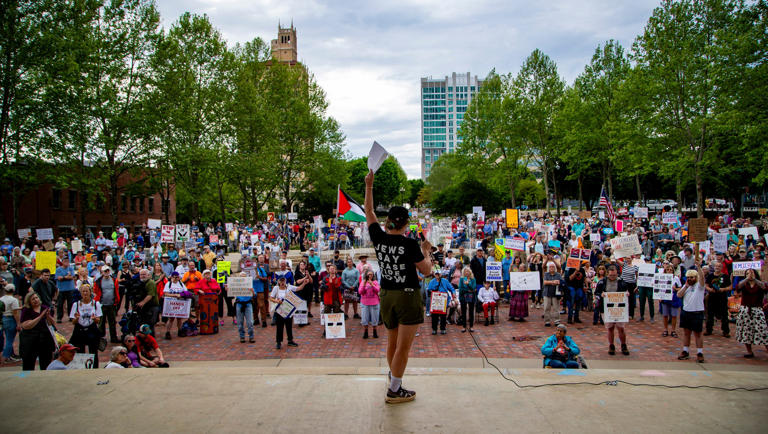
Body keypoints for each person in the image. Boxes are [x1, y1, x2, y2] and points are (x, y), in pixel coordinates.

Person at [364, 169, 432, 404]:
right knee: (403, 347)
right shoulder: (410, 244)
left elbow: (369, 211)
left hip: (386, 295)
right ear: (406, 224)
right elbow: (426, 271)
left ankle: (394, 378)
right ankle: (394, 389)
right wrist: (426, 252)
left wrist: (369, 186)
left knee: (392, 342)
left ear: (387, 221)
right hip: (407, 295)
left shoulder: (378, 237)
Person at [594, 264, 631, 356]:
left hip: (619, 308)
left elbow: (626, 292)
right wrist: (601, 295)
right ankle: (611, 345)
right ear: (607, 274)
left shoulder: (622, 282)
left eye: (614, 275)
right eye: (611, 275)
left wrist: (627, 294)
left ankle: (623, 344)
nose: (612, 277)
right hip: (606, 308)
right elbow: (596, 293)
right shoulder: (602, 282)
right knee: (610, 328)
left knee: (621, 328)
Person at [677, 261, 706, 363]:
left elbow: (702, 278)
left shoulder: (700, 286)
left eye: (692, 277)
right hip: (686, 311)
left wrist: (699, 268)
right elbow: (679, 295)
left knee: (698, 334)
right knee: (686, 333)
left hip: (697, 312)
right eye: (688, 277)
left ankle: (699, 352)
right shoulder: (686, 287)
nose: (690, 279)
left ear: (695, 278)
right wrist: (685, 286)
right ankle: (685, 351)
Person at [734, 269, 767, 358]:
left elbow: (764, 287)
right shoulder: (744, 284)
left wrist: (754, 279)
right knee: (746, 331)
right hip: (745, 309)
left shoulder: (759, 284)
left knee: (763, 331)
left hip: (757, 309)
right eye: (747, 273)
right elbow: (737, 287)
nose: (750, 275)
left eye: (751, 273)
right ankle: (749, 351)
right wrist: (747, 279)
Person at [68, 284, 102, 369]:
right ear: (80, 293)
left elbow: (98, 320)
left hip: (91, 329)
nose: (85, 293)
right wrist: (76, 318)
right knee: (80, 351)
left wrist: (94, 319)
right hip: (80, 330)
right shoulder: (76, 304)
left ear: (90, 292)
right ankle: (82, 368)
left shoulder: (96, 304)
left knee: (93, 351)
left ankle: (94, 369)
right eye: (83, 291)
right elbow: (73, 321)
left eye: (87, 291)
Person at [20, 292, 56, 370]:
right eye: (33, 299)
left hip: (44, 339)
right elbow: (26, 326)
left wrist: (48, 316)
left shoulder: (45, 308)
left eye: (37, 298)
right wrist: (40, 316)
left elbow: (52, 323)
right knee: (28, 363)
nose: (36, 300)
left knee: (46, 363)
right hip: (30, 340)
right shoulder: (26, 310)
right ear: (29, 301)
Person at [269, 277, 299, 349]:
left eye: (283, 281)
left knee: (289, 325)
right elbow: (271, 298)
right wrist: (277, 301)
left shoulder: (289, 287)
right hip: (279, 310)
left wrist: (304, 282)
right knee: (279, 326)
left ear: (285, 281)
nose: (282, 282)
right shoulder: (276, 288)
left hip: (288, 309)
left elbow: (298, 288)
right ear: (278, 281)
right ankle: (278, 342)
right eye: (281, 281)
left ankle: (290, 340)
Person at [704, 260, 731, 338]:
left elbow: (730, 287)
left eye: (719, 266)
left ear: (722, 267)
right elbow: (706, 285)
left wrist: (723, 289)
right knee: (710, 314)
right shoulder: (710, 276)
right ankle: (709, 329)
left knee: (724, 314)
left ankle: (725, 331)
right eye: (716, 266)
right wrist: (709, 289)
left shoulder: (725, 276)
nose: (717, 267)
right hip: (712, 297)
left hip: (722, 297)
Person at [93, 265, 120, 343]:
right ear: (102, 272)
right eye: (105, 271)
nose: (107, 272)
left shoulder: (114, 280)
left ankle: (113, 337)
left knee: (112, 322)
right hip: (102, 304)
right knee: (101, 322)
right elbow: (95, 291)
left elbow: (116, 291)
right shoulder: (98, 281)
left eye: (108, 270)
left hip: (112, 304)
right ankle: (100, 337)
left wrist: (117, 300)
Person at [659, 262, 682, 337]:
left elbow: (680, 288)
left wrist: (675, 288)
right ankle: (665, 329)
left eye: (671, 270)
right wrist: (659, 297)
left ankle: (673, 330)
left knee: (674, 315)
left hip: (673, 298)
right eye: (668, 270)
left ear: (673, 271)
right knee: (665, 315)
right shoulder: (662, 277)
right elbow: (658, 288)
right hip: (665, 298)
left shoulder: (676, 278)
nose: (669, 271)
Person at [1, 283, 21, 363]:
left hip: (3, 318)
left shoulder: (1, 298)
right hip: (10, 319)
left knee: (7, 338)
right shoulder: (13, 300)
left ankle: (10, 354)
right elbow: (15, 313)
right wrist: (18, 323)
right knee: (10, 339)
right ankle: (6, 357)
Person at [233, 272, 255, 343]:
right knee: (240, 322)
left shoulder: (250, 285)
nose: (243, 278)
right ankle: (242, 336)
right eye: (242, 277)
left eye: (245, 277)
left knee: (250, 322)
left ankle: (251, 336)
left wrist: (252, 291)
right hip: (239, 304)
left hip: (248, 304)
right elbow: (231, 292)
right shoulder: (237, 285)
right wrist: (227, 288)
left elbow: (255, 295)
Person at [358, 270, 380, 339]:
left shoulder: (375, 282)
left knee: (375, 318)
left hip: (374, 302)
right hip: (365, 302)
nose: (370, 276)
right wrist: (364, 285)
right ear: (366, 275)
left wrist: (372, 284)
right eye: (369, 274)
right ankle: (366, 332)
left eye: (371, 274)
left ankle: (375, 332)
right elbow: (360, 292)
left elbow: (377, 290)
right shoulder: (363, 282)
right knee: (365, 318)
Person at [54, 257, 77, 323]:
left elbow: (72, 277)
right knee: (60, 304)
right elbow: (59, 278)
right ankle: (59, 318)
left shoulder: (71, 268)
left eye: (67, 260)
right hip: (61, 289)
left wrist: (64, 277)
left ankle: (71, 316)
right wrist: (66, 277)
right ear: (62, 261)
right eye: (65, 261)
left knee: (70, 304)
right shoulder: (58, 269)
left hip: (70, 288)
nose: (66, 262)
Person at [542, 262, 562, 327]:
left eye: (553, 267)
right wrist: (553, 282)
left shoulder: (558, 274)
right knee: (546, 308)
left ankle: (557, 321)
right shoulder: (546, 274)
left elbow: (561, 282)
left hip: (556, 293)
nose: (551, 268)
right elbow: (545, 282)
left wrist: (558, 282)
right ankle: (547, 321)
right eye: (550, 267)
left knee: (556, 308)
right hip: (547, 293)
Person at [458, 268, 476, 332]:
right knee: (464, 311)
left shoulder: (473, 279)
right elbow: (460, 288)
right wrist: (468, 290)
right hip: (463, 296)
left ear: (470, 272)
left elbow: (473, 288)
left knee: (471, 311)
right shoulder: (461, 279)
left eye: (468, 271)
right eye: (465, 271)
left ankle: (471, 326)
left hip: (471, 297)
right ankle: (464, 326)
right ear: (463, 272)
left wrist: (468, 284)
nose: (467, 273)